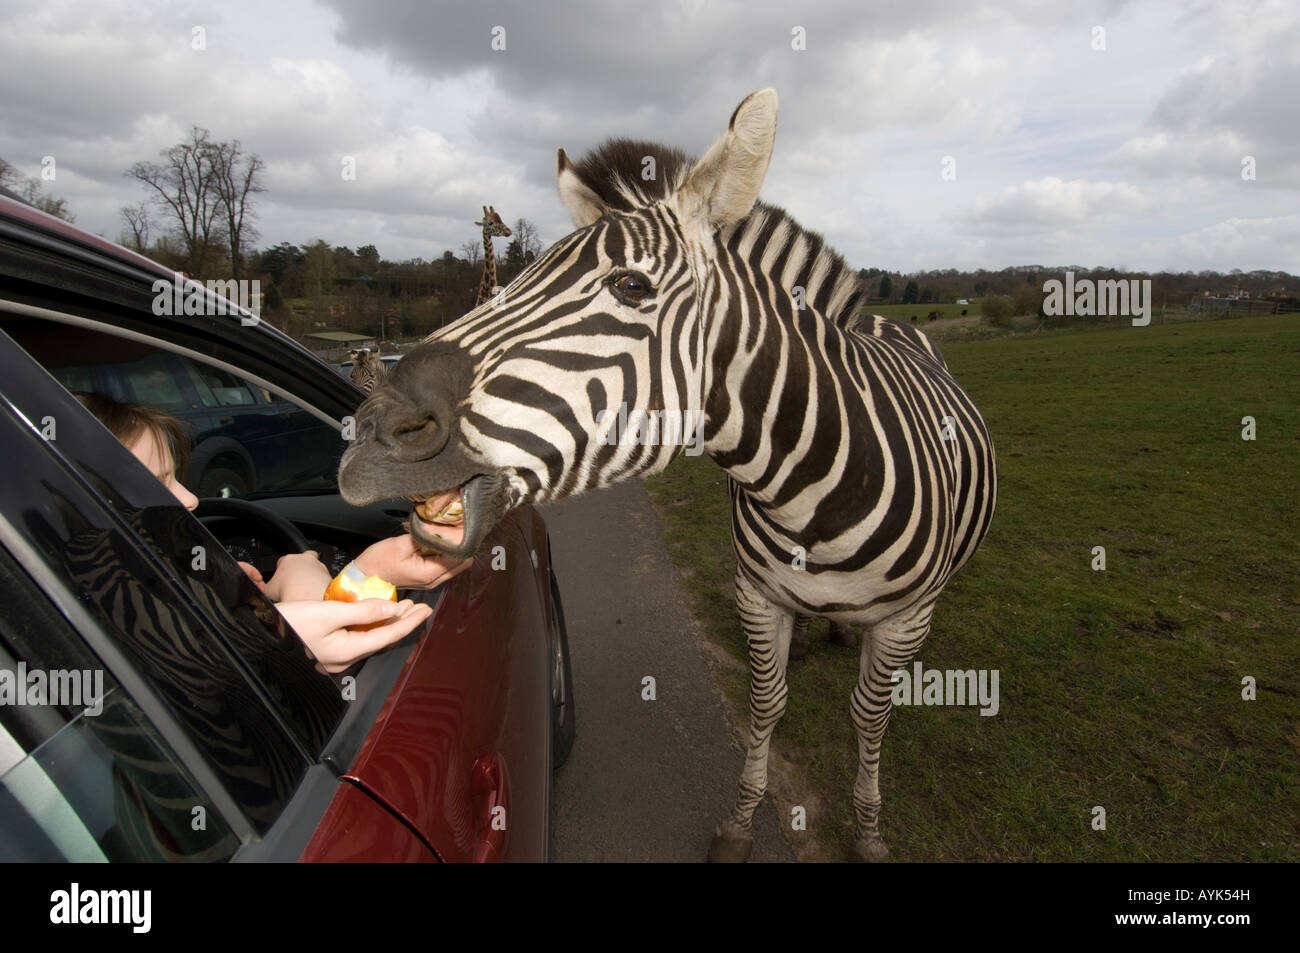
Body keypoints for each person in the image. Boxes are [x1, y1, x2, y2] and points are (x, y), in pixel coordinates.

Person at [73, 392, 472, 672]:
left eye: (177, 477)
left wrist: (238, 597)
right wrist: (278, 632)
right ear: (90, 500)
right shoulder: (104, 615)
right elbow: (200, 669)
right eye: (159, 483)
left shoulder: (128, 578)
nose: (191, 499)